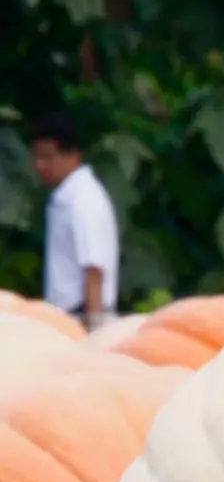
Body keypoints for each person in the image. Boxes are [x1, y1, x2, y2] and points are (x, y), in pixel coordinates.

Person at [29, 109, 119, 329]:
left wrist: (94, 327)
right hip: (63, 316)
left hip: (82, 317)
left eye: (48, 157)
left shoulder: (84, 200)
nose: (40, 166)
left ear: (73, 155)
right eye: (37, 157)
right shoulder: (65, 198)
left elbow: (94, 268)